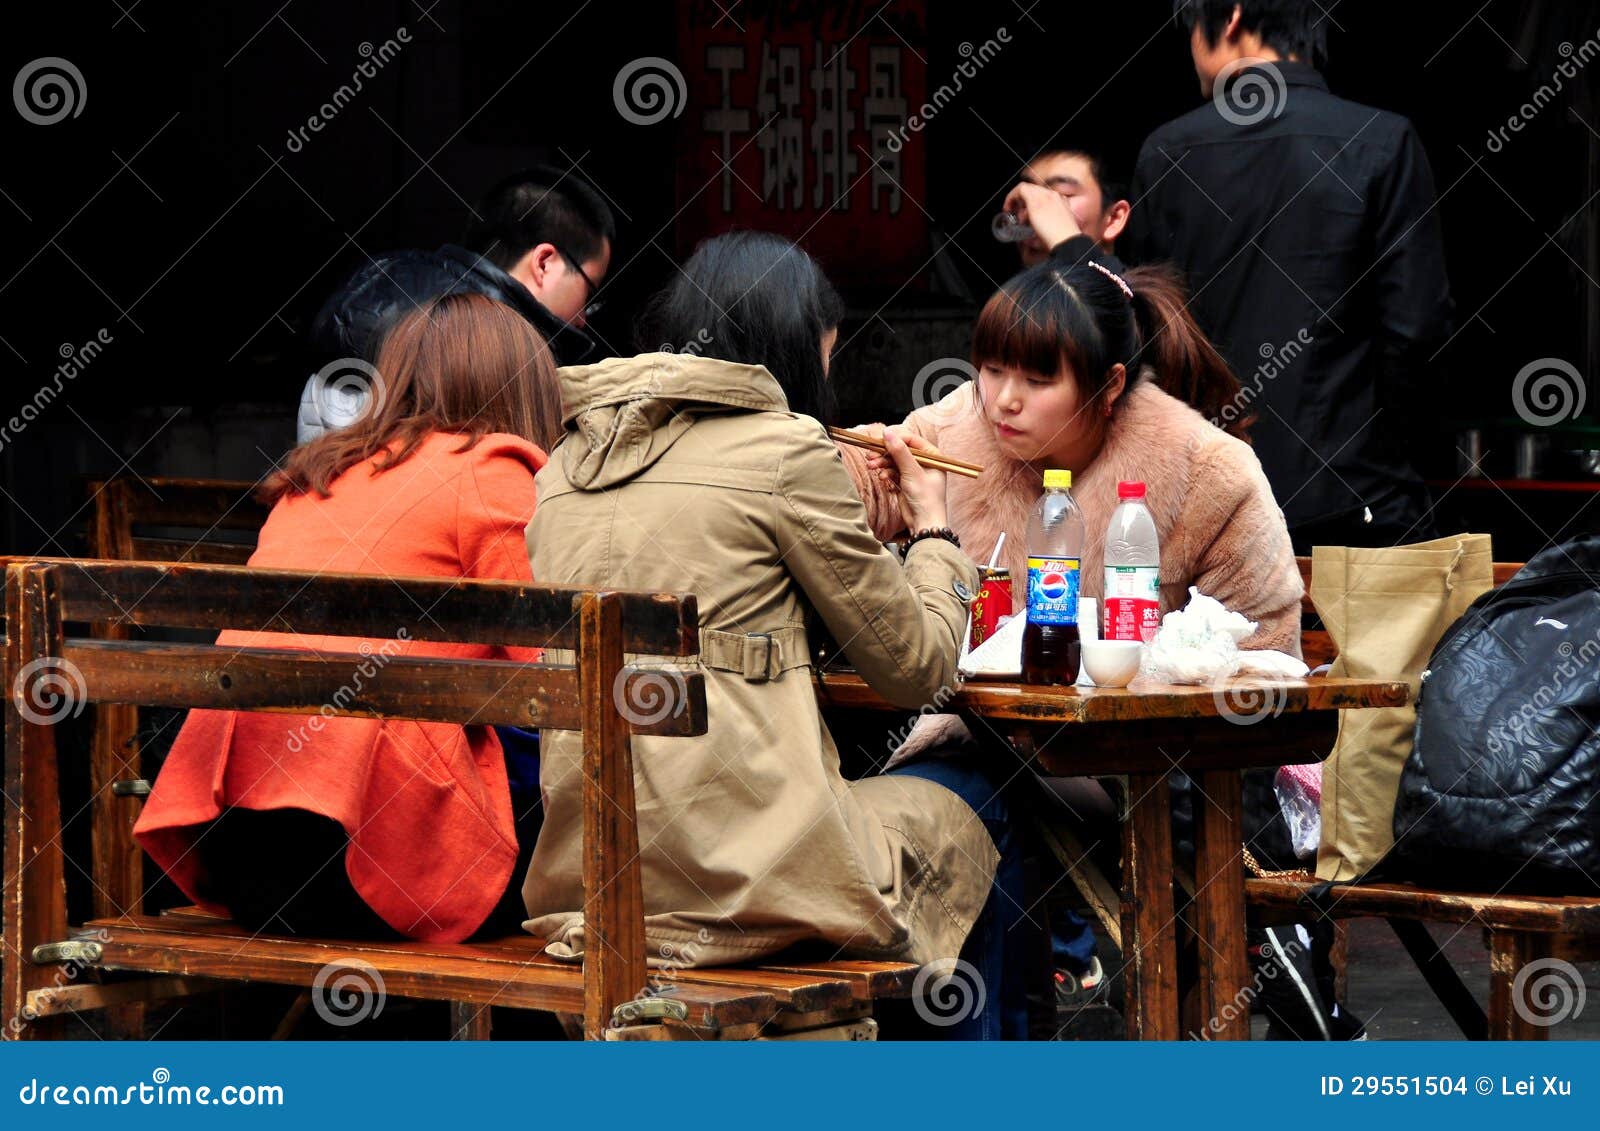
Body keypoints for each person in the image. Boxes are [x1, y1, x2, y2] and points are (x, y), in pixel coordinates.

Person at [520, 231, 1028, 1039]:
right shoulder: (785, 452)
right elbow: (915, 668)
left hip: (590, 884)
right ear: (795, 352)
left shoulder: (563, 465)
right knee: (981, 805)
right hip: (745, 883)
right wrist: (931, 526)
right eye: (824, 357)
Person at [839, 257, 1302, 1021]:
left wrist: (1152, 663)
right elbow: (845, 494)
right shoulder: (951, 432)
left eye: (1036, 378)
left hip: (1153, 775)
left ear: (1109, 384)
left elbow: (1269, 656)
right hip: (987, 746)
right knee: (946, 809)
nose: (1003, 400)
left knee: (970, 812)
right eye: (989, 369)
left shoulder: (1206, 469)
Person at [135, 294, 561, 943]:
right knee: (586, 852)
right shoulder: (494, 469)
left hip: (242, 857)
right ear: (526, 387)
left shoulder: (319, 472)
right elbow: (551, 679)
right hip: (377, 863)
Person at [1125, 0, 1454, 551]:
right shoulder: (1381, 139)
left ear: (1229, 18)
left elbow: (1145, 339)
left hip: (1207, 501)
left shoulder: (1166, 152)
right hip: (1355, 501)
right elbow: (1417, 330)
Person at [297, 165, 615, 442]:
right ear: (544, 262)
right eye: (590, 290)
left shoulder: (367, 294)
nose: (583, 318)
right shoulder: (504, 355)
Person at [1000, 174, 1251, 440]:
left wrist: (1071, 244)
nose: (1037, 213)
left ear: (1115, 217)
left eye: (1061, 197)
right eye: (1027, 201)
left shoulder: (1152, 314)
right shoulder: (1005, 310)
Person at [1013, 147, 1131, 268]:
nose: (1034, 213)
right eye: (1027, 196)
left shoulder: (1141, 285)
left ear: (1114, 218)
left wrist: (1069, 244)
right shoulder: (1010, 287)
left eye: (1061, 194)